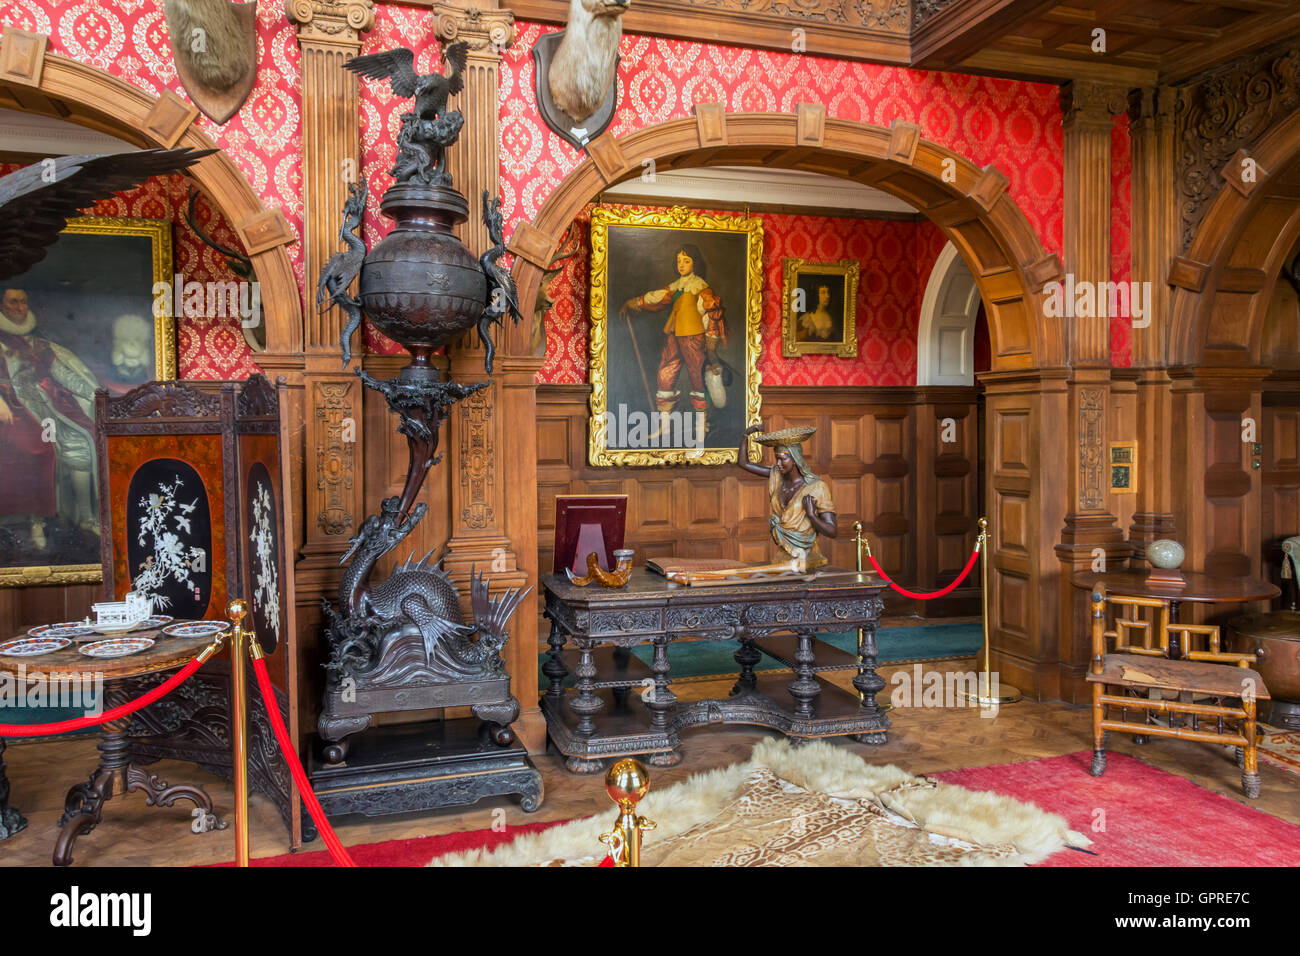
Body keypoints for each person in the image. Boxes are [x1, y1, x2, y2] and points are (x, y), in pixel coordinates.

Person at [0, 288, 100, 545]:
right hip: (13, 410)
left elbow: (62, 373)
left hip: (47, 407)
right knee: (39, 449)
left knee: (82, 442)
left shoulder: (38, 344)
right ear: (2, 306)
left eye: (23, 301)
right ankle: (37, 522)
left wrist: (94, 394)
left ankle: (86, 520)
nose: (20, 307)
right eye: (13, 302)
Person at [620, 243, 726, 429]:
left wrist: (711, 339)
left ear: (695, 263)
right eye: (679, 261)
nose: (682, 264)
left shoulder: (700, 286)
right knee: (665, 373)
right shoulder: (676, 286)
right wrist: (636, 302)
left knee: (697, 377)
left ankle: (702, 425)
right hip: (674, 335)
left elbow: (711, 313)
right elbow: (658, 297)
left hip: (694, 338)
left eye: (686, 260)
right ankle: (665, 426)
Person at [736, 424, 837, 569]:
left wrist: (812, 516)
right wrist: (746, 435)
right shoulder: (776, 475)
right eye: (776, 459)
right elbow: (743, 463)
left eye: (782, 459)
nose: (778, 464)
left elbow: (832, 531)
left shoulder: (817, 487)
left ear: (795, 458)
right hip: (783, 556)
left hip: (807, 558)